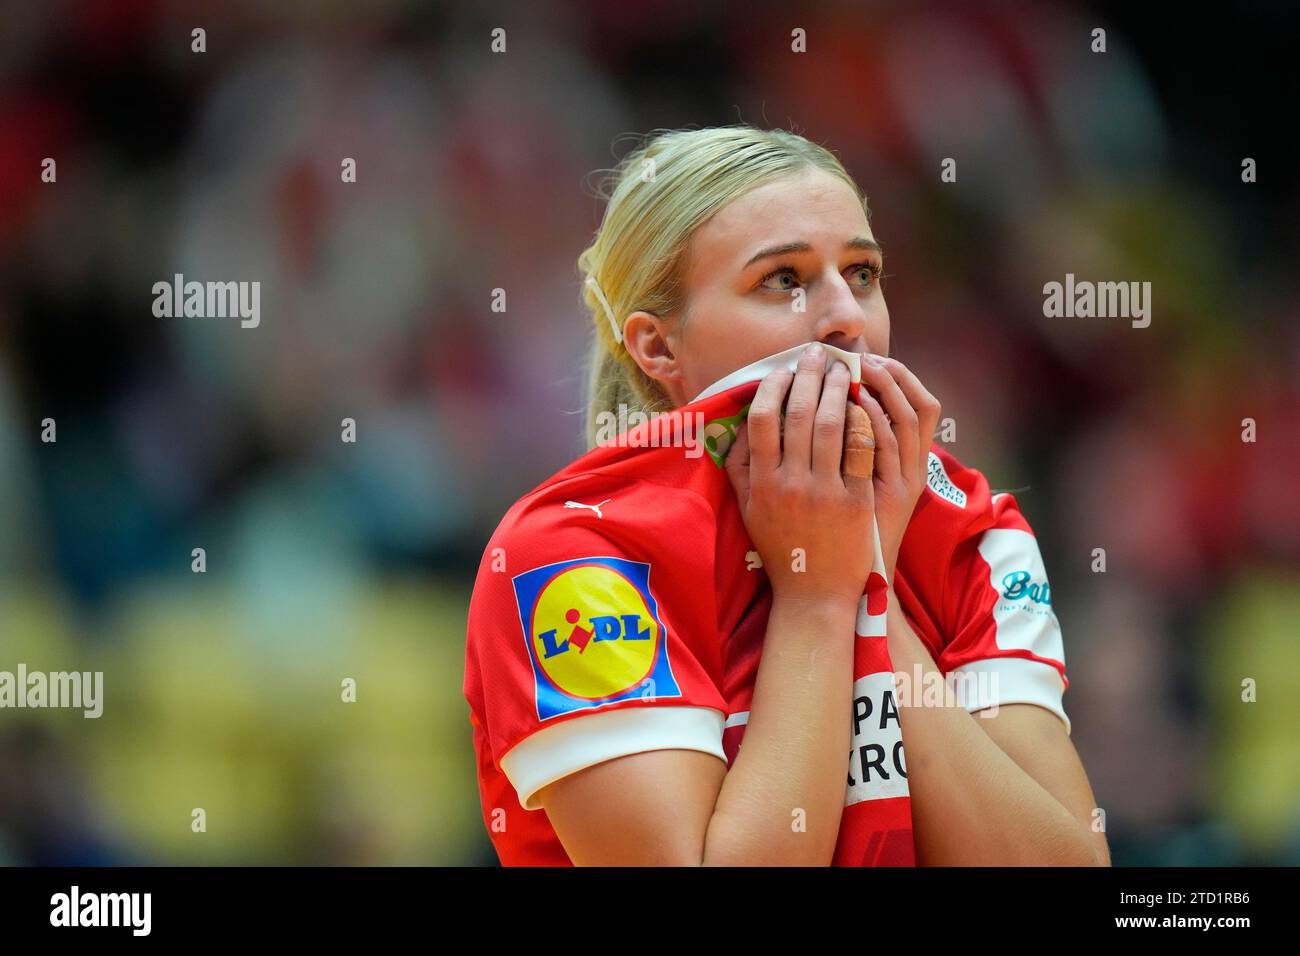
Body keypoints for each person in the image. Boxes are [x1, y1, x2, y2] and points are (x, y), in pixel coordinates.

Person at [463, 126, 1109, 866]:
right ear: (656, 347)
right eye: (784, 280)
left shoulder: (968, 529)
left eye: (863, 274)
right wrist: (817, 599)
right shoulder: (577, 557)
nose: (847, 318)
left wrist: (871, 584)